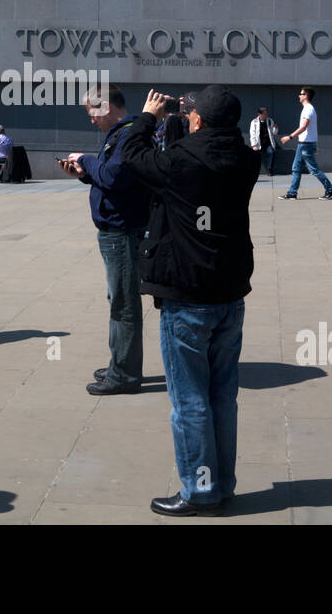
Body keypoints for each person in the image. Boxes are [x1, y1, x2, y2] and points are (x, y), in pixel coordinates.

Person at [116, 86, 260, 517]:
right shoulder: (247, 158)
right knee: (222, 396)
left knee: (189, 400)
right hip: (230, 293)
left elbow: (132, 155)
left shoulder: (180, 161)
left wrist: (147, 117)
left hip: (187, 296)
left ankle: (200, 491)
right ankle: (222, 484)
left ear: (197, 121)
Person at [59, 84, 150, 396]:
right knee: (118, 300)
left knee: (123, 303)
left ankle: (124, 374)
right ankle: (120, 364)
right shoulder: (122, 133)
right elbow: (110, 177)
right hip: (116, 230)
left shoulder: (127, 134)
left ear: (106, 107)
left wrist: (85, 159)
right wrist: (83, 172)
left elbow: (114, 177)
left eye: (92, 113)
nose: (91, 120)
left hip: (122, 231)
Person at [279, 87, 332, 200]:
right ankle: (292, 193)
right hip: (304, 144)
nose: (299, 96)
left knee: (314, 170)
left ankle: (330, 190)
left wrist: (289, 137)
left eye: (300, 94)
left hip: (306, 145)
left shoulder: (308, 109)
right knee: (296, 168)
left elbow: (304, 126)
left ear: (306, 96)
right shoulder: (307, 109)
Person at [247, 107, 277, 178]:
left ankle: (269, 169)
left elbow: (274, 133)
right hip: (258, 144)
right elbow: (252, 134)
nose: (266, 115)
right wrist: (254, 145)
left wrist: (275, 128)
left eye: (266, 114)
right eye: (264, 114)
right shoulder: (254, 122)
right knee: (256, 156)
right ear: (259, 114)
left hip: (268, 143)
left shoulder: (270, 121)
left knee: (270, 152)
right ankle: (254, 171)